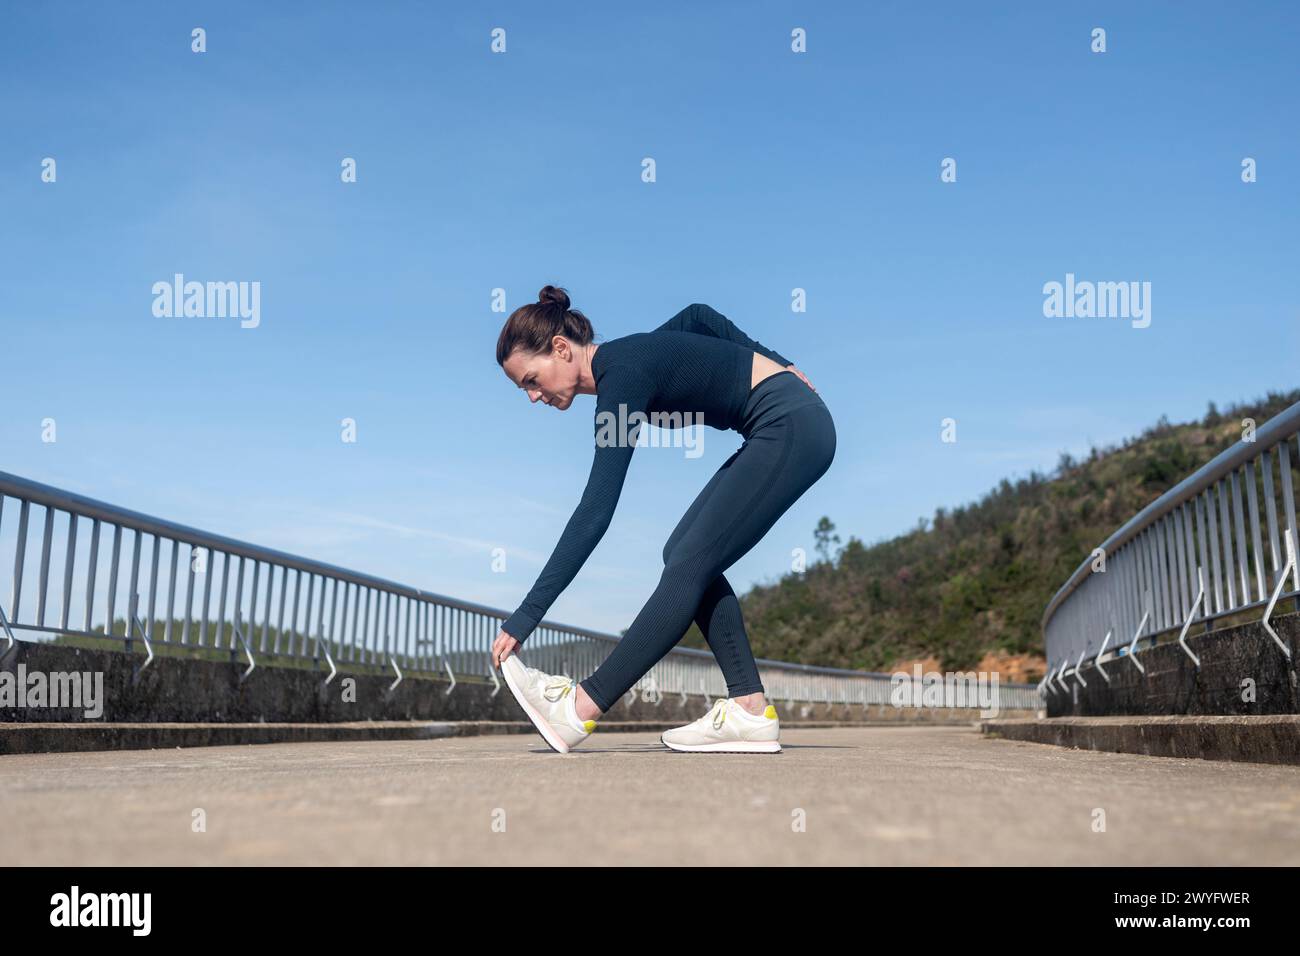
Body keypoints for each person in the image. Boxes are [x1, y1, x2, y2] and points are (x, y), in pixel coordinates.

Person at [492, 286, 836, 753]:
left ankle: (579, 709)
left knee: (689, 561)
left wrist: (526, 615)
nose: (532, 396)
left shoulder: (623, 376)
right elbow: (698, 316)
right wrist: (778, 363)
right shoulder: (632, 360)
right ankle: (749, 707)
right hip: (784, 424)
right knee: (683, 554)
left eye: (531, 380)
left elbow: (596, 510)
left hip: (790, 424)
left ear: (559, 348)